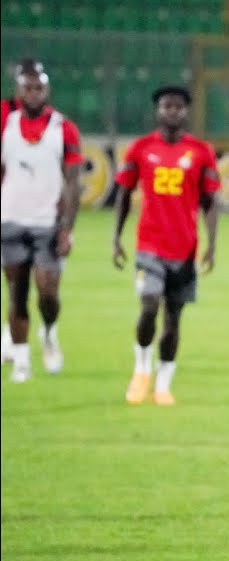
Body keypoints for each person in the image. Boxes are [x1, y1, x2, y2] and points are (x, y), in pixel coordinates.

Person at [111, 85, 220, 405]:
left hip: (184, 250)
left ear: (186, 111)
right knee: (149, 304)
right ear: (157, 111)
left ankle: (163, 383)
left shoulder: (201, 152)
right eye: (165, 106)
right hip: (149, 247)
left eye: (177, 107)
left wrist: (212, 245)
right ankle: (141, 368)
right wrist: (116, 238)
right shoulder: (140, 149)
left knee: (173, 320)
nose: (171, 111)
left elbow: (210, 201)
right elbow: (123, 194)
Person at [0, 58, 83, 382]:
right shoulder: (6, 121)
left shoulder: (63, 128)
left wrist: (67, 227)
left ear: (46, 89)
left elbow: (73, 181)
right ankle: (21, 360)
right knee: (17, 291)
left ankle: (49, 333)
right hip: (10, 219)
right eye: (27, 87)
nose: (33, 93)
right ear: (18, 90)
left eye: (39, 87)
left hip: (47, 222)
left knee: (47, 291)